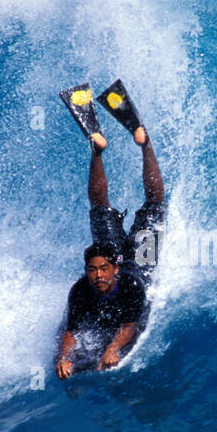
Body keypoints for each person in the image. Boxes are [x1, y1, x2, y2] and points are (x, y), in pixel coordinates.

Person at [55, 120, 165, 379]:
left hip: (141, 259)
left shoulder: (132, 287)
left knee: (155, 203)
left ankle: (144, 144)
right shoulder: (81, 290)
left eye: (103, 270)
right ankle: (98, 149)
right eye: (92, 270)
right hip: (114, 250)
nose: (98, 276)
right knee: (99, 207)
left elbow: (130, 325)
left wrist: (113, 348)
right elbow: (71, 330)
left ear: (114, 268)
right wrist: (64, 357)